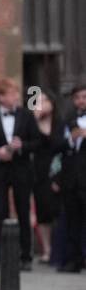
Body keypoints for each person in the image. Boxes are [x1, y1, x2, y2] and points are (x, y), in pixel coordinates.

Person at [0, 78, 38, 271]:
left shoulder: (26, 115)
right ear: (1, 97)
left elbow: (37, 141)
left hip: (21, 168)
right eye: (12, 93)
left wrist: (21, 146)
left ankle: (26, 256)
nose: (16, 96)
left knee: (23, 210)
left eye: (16, 93)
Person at [31, 89, 66, 264]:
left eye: (45, 100)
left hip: (57, 170)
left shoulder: (60, 123)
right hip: (39, 171)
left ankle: (59, 249)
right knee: (42, 211)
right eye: (38, 101)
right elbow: (29, 143)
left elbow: (61, 145)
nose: (42, 104)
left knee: (57, 210)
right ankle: (46, 249)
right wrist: (36, 120)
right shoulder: (31, 122)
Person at [57, 82, 86, 273]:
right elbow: (54, 145)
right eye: (77, 98)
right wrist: (70, 140)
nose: (81, 101)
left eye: (84, 97)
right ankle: (74, 260)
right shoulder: (67, 119)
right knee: (73, 220)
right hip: (71, 178)